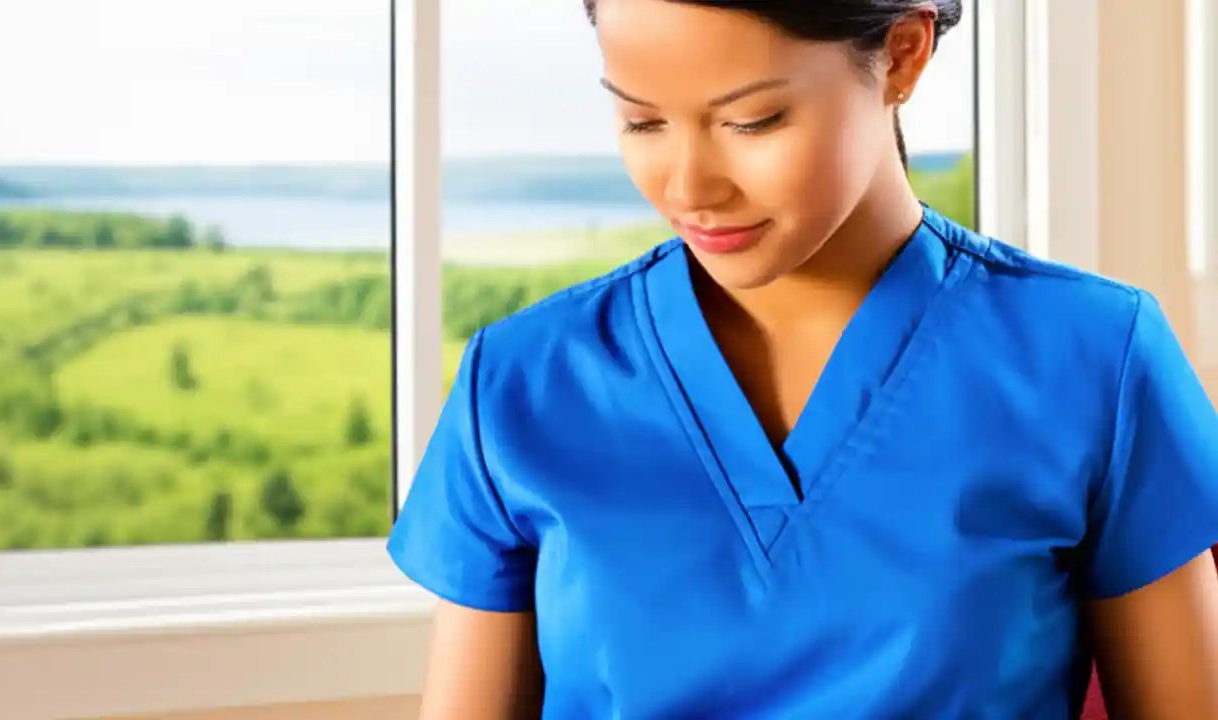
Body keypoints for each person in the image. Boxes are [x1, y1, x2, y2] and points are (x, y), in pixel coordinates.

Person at [387, 1, 1218, 716]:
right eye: (642, 121)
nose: (690, 188)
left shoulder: (1095, 358)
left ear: (903, 54)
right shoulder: (520, 384)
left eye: (751, 122)